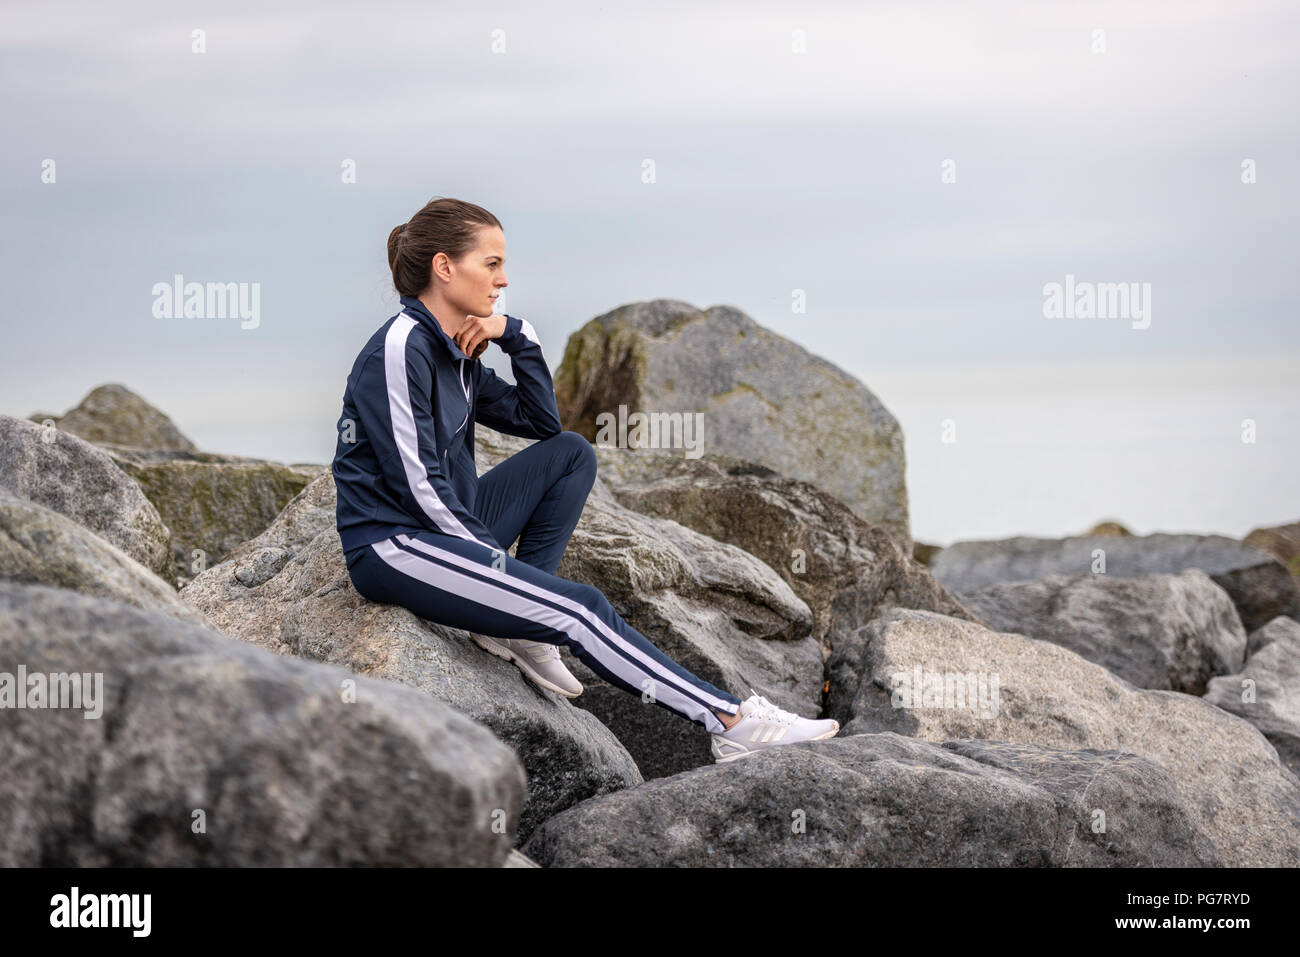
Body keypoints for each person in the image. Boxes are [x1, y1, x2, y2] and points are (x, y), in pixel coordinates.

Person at [331, 196, 839, 762]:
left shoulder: (458, 351)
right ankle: (732, 722)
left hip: (447, 533)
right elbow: (416, 483)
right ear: (445, 267)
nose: (504, 277)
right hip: (396, 545)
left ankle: (518, 629)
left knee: (571, 454)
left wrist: (515, 334)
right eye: (491, 263)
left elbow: (541, 423)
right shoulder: (401, 347)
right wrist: (508, 576)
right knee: (577, 609)